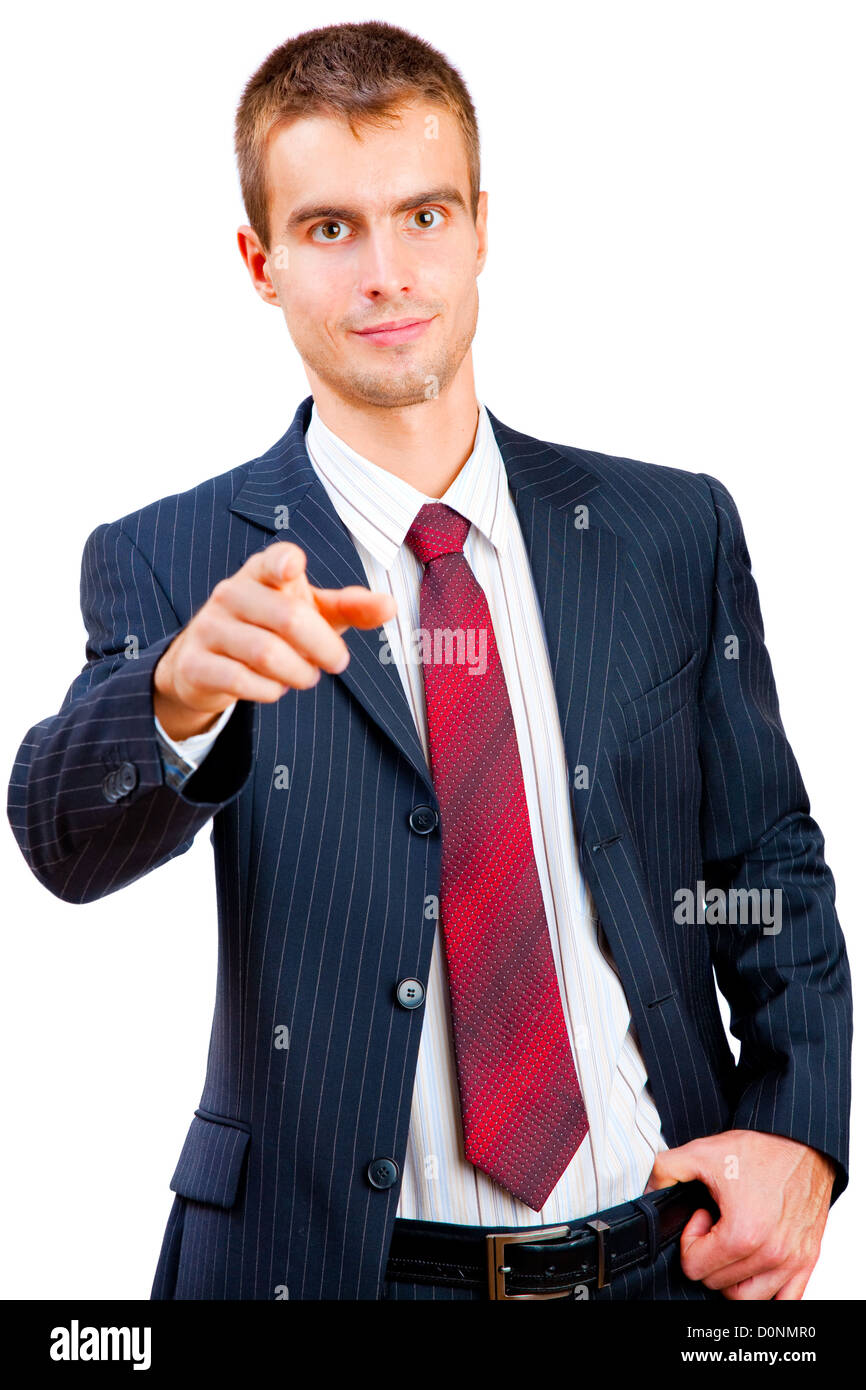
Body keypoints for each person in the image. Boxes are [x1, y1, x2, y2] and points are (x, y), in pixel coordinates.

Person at [7, 20, 851, 1302]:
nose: (386, 274)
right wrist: (174, 695)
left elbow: (762, 862)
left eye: (423, 216)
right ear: (261, 261)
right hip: (327, 1273)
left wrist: (801, 1126)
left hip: (666, 1263)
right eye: (330, 229)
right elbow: (63, 843)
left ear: (479, 229)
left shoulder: (669, 529)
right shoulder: (175, 558)